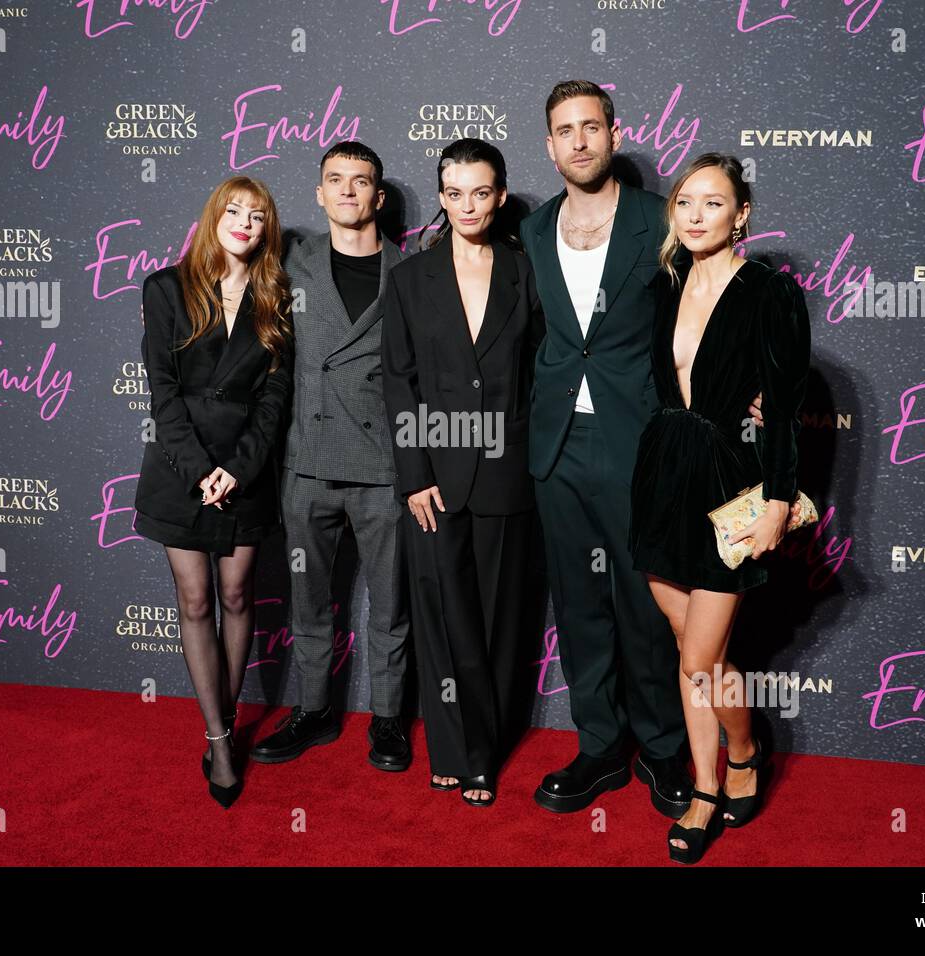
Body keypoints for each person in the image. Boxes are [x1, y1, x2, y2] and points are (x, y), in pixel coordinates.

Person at [521, 81, 769, 818]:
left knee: (647, 605)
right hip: (558, 443)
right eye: (564, 130)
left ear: (613, 133)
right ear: (550, 145)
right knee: (579, 604)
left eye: (590, 126)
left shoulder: (658, 219)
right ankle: (598, 746)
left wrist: (751, 388)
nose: (579, 141)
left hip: (641, 442)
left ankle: (664, 749)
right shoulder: (533, 231)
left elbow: (709, 304)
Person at [629, 153, 811, 863]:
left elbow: (787, 409)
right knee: (691, 650)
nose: (697, 215)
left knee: (703, 657)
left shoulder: (770, 292)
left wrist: (776, 499)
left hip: (732, 480)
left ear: (742, 215)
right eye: (685, 203)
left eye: (714, 203)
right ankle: (716, 775)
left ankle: (735, 757)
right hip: (664, 471)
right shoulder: (664, 283)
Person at [381, 138, 545, 806]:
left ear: (501, 195)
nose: (469, 204)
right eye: (455, 193)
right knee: (443, 619)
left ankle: (485, 751)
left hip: (510, 473)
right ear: (441, 197)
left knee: (503, 623)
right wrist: (414, 474)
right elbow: (398, 378)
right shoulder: (410, 278)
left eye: (482, 192)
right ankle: (452, 750)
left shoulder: (527, 270)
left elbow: (543, 373)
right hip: (435, 478)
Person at [249, 142, 414, 772]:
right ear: (319, 193)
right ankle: (315, 710)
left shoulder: (410, 271)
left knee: (391, 607)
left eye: (361, 181)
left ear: (378, 196)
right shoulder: (290, 264)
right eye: (335, 180)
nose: (348, 191)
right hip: (306, 464)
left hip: (382, 471)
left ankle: (390, 718)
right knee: (309, 603)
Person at [133, 175, 294, 809]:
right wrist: (201, 469)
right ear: (213, 217)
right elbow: (163, 394)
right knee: (196, 599)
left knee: (235, 592)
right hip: (180, 469)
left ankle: (221, 721)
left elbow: (275, 397)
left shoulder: (277, 297)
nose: (245, 223)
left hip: (245, 471)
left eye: (257, 216)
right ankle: (220, 738)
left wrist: (243, 467)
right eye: (234, 211)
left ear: (267, 229)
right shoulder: (166, 288)